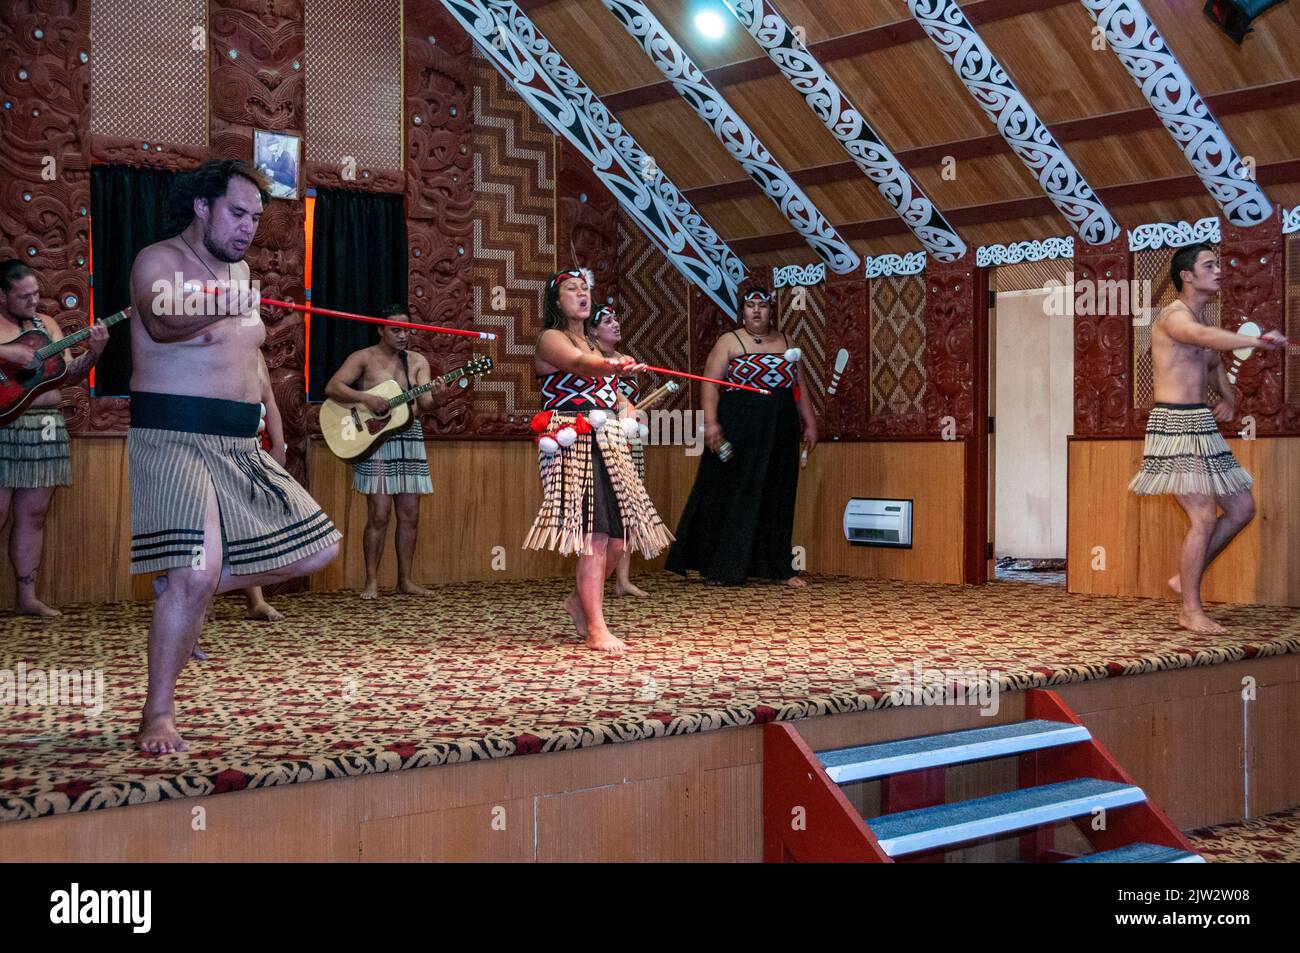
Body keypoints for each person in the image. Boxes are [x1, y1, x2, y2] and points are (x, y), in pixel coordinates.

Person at [128, 159, 341, 753]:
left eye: (255, 217)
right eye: (238, 212)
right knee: (192, 574)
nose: (249, 227)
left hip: (239, 438)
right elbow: (162, 320)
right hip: (174, 434)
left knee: (320, 548)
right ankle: (158, 713)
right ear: (202, 206)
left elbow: (250, 359)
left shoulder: (239, 271)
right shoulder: (160, 261)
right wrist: (227, 297)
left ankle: (192, 588)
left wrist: (272, 423)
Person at [1129, 243, 1287, 634]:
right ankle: (1190, 610)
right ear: (1187, 275)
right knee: (1202, 517)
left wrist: (1229, 398)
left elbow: (1213, 362)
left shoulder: (1202, 316)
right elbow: (1201, 338)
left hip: (1200, 424)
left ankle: (1186, 579)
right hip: (1173, 426)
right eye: (1209, 265)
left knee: (1241, 509)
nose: (1218, 271)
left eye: (1217, 264)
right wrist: (1253, 340)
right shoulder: (1173, 316)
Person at [525, 270, 672, 653]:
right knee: (595, 536)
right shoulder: (550, 338)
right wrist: (614, 365)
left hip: (608, 440)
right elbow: (578, 365)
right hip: (571, 438)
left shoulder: (594, 343)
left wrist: (626, 408)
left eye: (585, 289)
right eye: (572, 290)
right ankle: (596, 627)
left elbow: (611, 394)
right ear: (557, 301)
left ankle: (578, 604)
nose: (581, 294)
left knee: (620, 541)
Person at [666, 285, 817, 586]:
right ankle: (722, 566)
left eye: (763, 305)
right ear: (742, 311)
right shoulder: (729, 342)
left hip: (780, 426)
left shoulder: (787, 341)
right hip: (739, 424)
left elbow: (799, 387)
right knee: (731, 493)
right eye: (751, 306)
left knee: (778, 494)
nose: (757, 310)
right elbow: (709, 384)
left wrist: (810, 422)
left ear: (771, 310)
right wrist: (711, 424)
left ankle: (778, 568)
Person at [0, 260, 109, 616]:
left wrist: (94, 352)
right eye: (24, 296)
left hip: (46, 424)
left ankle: (27, 598)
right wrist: (6, 352)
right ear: (2, 296)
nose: (34, 301)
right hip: (4, 425)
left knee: (34, 514)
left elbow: (68, 374)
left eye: (36, 294)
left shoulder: (46, 325)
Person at [324, 308, 444, 599]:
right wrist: (367, 398)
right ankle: (371, 582)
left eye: (406, 330)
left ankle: (405, 580)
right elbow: (333, 387)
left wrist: (439, 394)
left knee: (410, 514)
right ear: (381, 330)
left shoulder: (417, 361)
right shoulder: (363, 357)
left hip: (410, 437)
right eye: (396, 330)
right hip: (374, 440)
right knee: (379, 512)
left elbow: (426, 404)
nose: (403, 335)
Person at [586, 305, 650, 598]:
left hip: (629, 439)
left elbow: (628, 402)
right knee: (606, 512)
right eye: (607, 320)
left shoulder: (626, 361)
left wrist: (634, 416)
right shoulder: (589, 360)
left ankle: (622, 579)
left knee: (629, 508)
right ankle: (593, 582)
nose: (616, 324)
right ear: (592, 330)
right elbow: (611, 397)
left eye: (616, 319)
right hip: (603, 439)